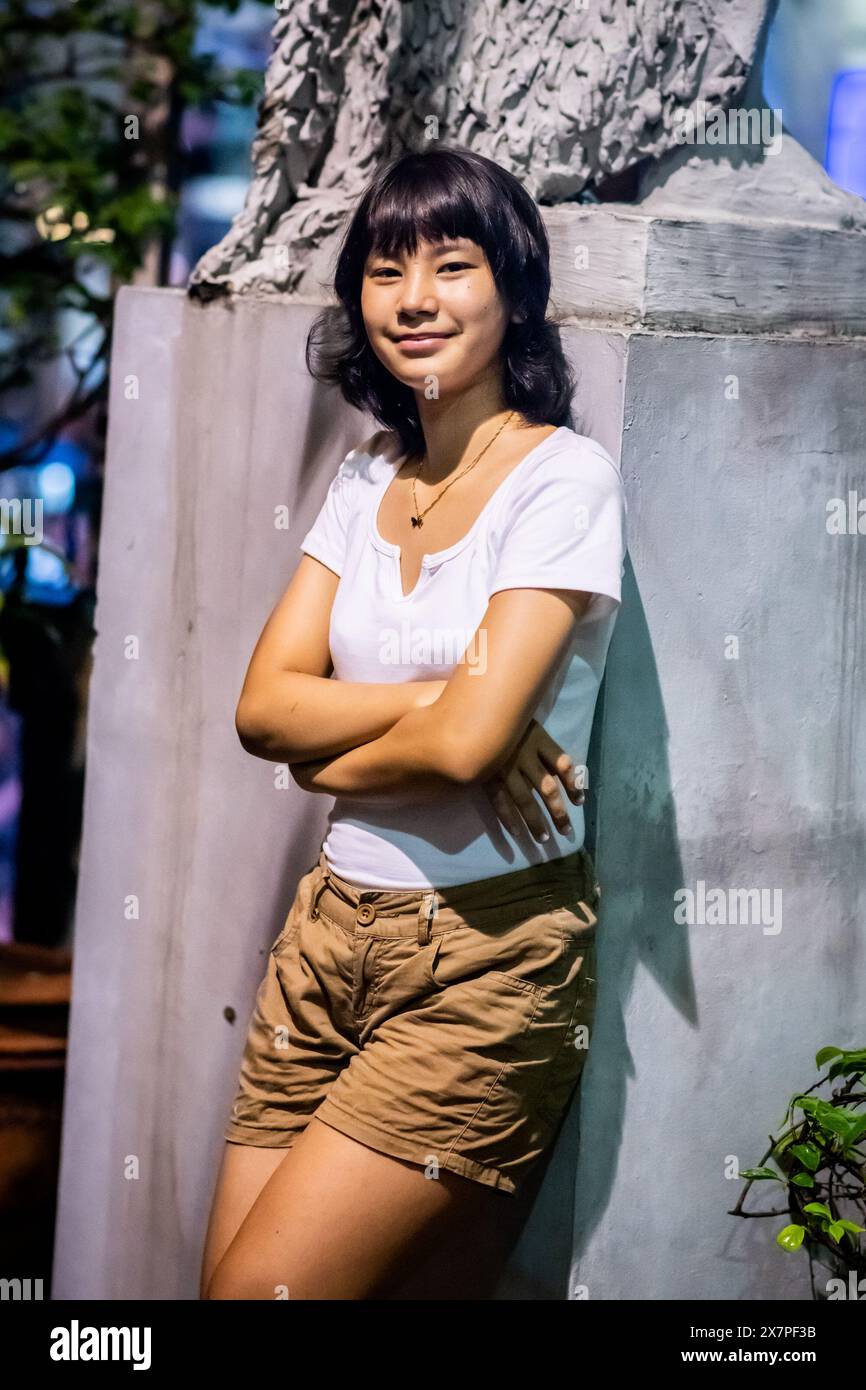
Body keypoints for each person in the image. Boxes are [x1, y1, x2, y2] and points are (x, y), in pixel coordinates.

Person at [200, 143, 627, 1300]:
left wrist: (332, 759)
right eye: (387, 272)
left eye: (452, 264)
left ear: (515, 291)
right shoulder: (365, 475)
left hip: (482, 961)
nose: (416, 299)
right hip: (326, 939)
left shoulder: (560, 480)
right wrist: (442, 697)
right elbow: (260, 707)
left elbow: (468, 747)